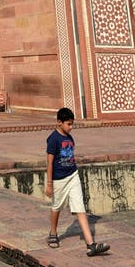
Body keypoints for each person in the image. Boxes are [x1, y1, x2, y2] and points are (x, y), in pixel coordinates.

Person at [45, 107, 110, 256]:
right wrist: (49, 184)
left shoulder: (69, 138)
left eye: (72, 124)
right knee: (57, 206)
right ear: (59, 122)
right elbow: (49, 162)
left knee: (80, 208)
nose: (71, 127)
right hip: (59, 179)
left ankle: (90, 244)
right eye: (68, 124)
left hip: (73, 175)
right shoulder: (53, 139)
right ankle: (53, 233)